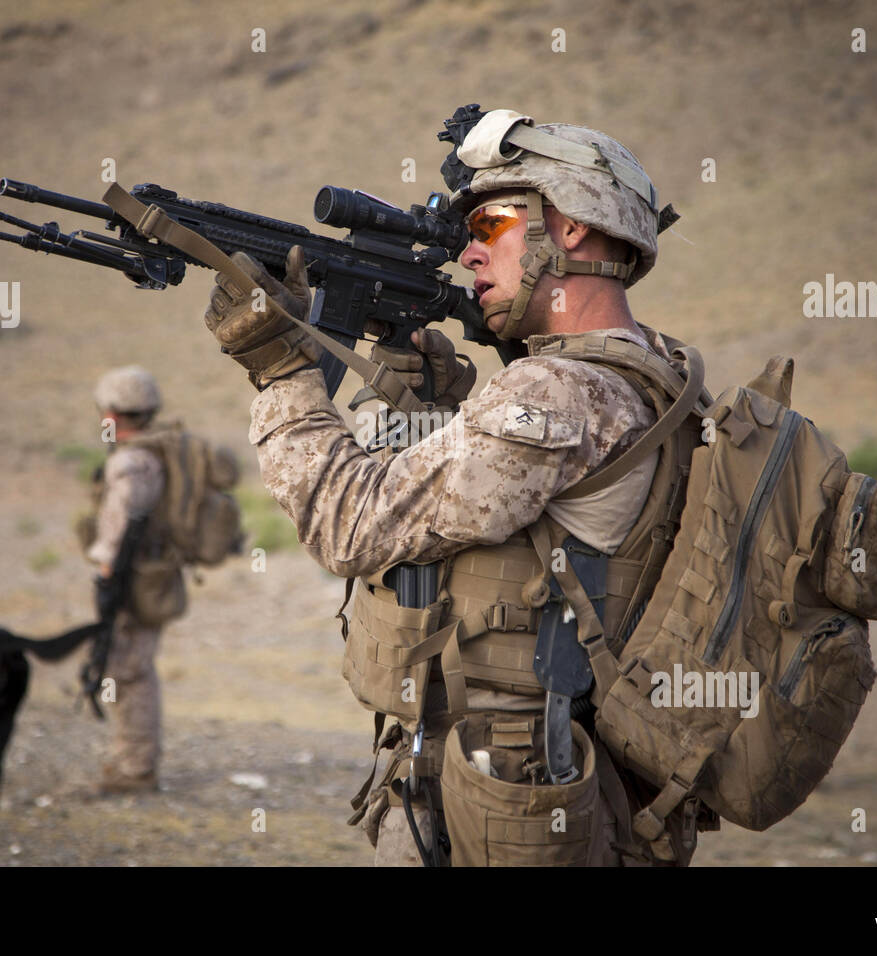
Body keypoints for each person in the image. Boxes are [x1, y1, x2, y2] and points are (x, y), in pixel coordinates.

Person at [203, 109, 712, 864]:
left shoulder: (555, 392)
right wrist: (434, 415)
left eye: (494, 221)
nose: (470, 252)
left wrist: (281, 371)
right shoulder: (658, 369)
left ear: (571, 226)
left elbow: (351, 524)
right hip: (536, 774)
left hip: (508, 786)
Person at [77, 365, 182, 794]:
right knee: (135, 665)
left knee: (128, 669)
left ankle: (136, 769)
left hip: (133, 580)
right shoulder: (155, 454)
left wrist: (105, 577)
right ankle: (135, 762)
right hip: (149, 575)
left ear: (115, 414)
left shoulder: (130, 463)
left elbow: (120, 530)